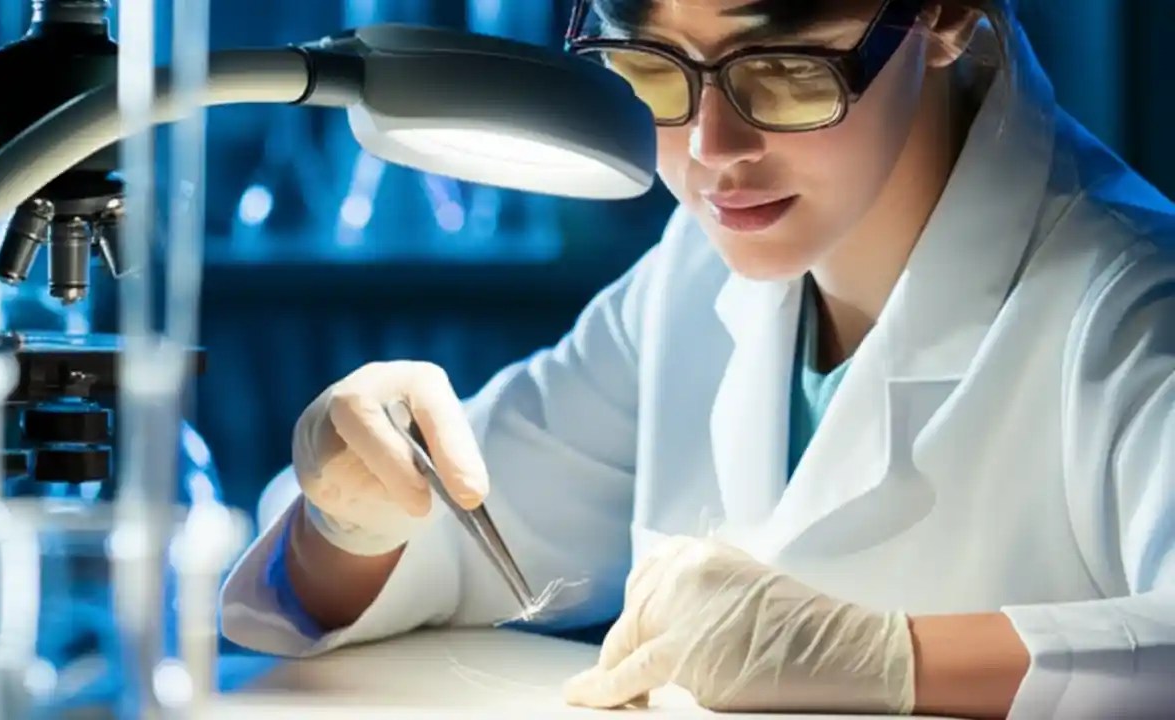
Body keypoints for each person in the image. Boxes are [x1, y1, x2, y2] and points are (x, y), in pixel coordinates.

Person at [220, 0, 1175, 717]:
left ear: (941, 18)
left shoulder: (1130, 305)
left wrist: (889, 658)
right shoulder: (690, 277)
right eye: (652, 69)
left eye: (786, 70)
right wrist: (350, 517)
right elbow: (451, 552)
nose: (713, 150)